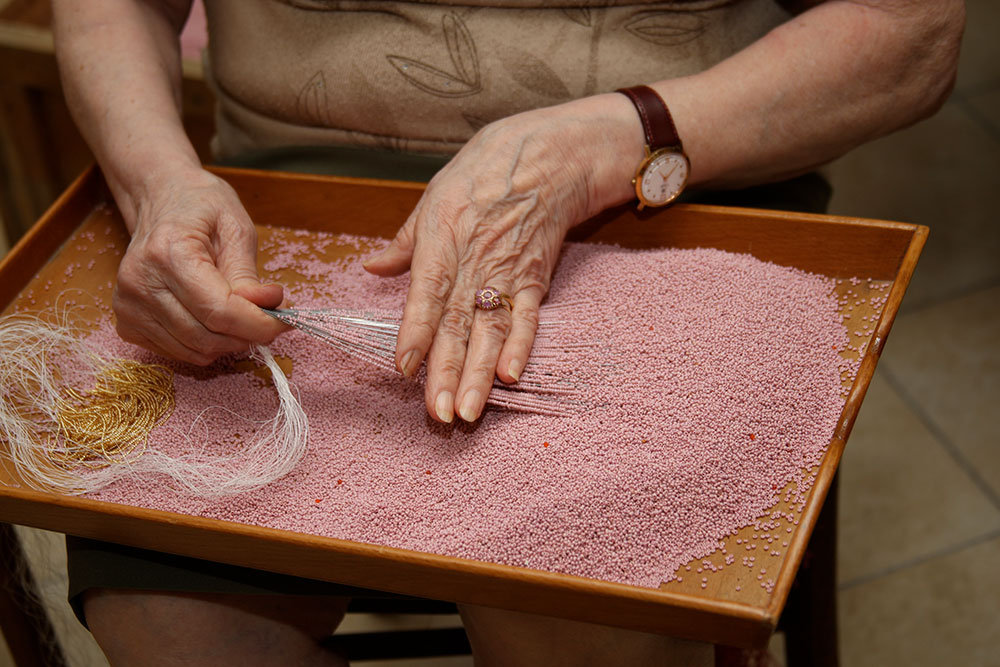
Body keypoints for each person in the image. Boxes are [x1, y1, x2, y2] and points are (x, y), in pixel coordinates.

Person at [50, 0, 963, 664]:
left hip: (670, 176)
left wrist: (617, 133)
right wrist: (158, 182)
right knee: (167, 623)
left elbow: (912, 32)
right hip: (294, 194)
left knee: (579, 601)